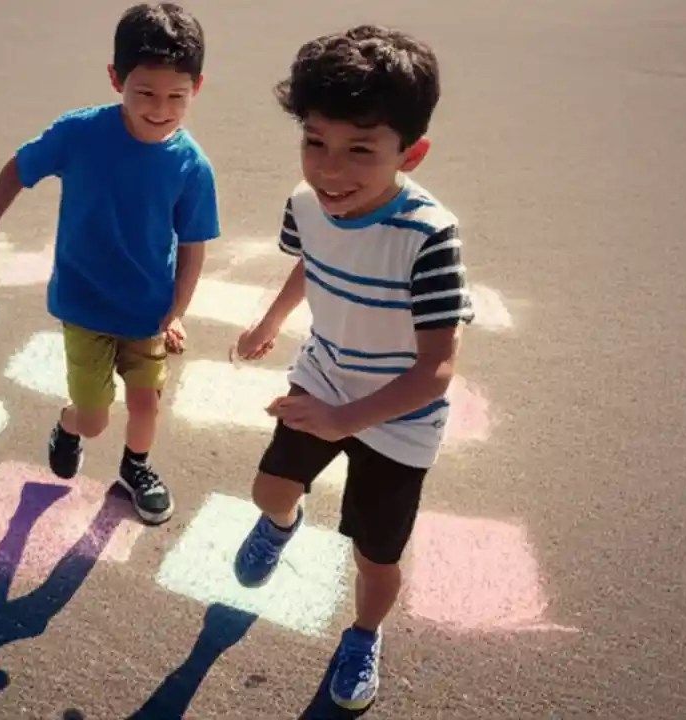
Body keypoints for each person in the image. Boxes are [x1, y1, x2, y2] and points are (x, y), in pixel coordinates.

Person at [232, 24, 473, 710]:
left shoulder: (430, 236)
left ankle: (364, 635)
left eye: (360, 150)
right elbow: (311, 259)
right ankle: (282, 527)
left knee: (375, 558)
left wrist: (347, 422)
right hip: (327, 377)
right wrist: (272, 321)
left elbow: (436, 369)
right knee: (268, 491)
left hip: (401, 418)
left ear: (412, 153)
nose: (331, 170)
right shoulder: (306, 203)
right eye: (315, 142)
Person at [0, 2, 220, 525]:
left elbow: (192, 246)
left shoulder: (192, 165)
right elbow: (19, 168)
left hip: (147, 311)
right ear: (115, 78)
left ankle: (136, 468)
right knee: (95, 418)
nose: (160, 108)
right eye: (144, 92)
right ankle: (69, 425)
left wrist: (177, 309)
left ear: (198, 88)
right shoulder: (79, 134)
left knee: (146, 406)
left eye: (176, 96)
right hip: (86, 306)